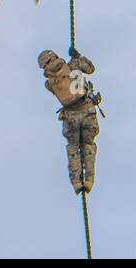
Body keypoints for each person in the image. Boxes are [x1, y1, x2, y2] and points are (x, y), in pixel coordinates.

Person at [38, 48, 101, 194]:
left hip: (70, 118)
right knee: (88, 145)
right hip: (87, 111)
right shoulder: (72, 66)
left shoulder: (49, 83)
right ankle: (89, 180)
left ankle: (76, 182)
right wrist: (78, 57)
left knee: (73, 149)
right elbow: (90, 69)